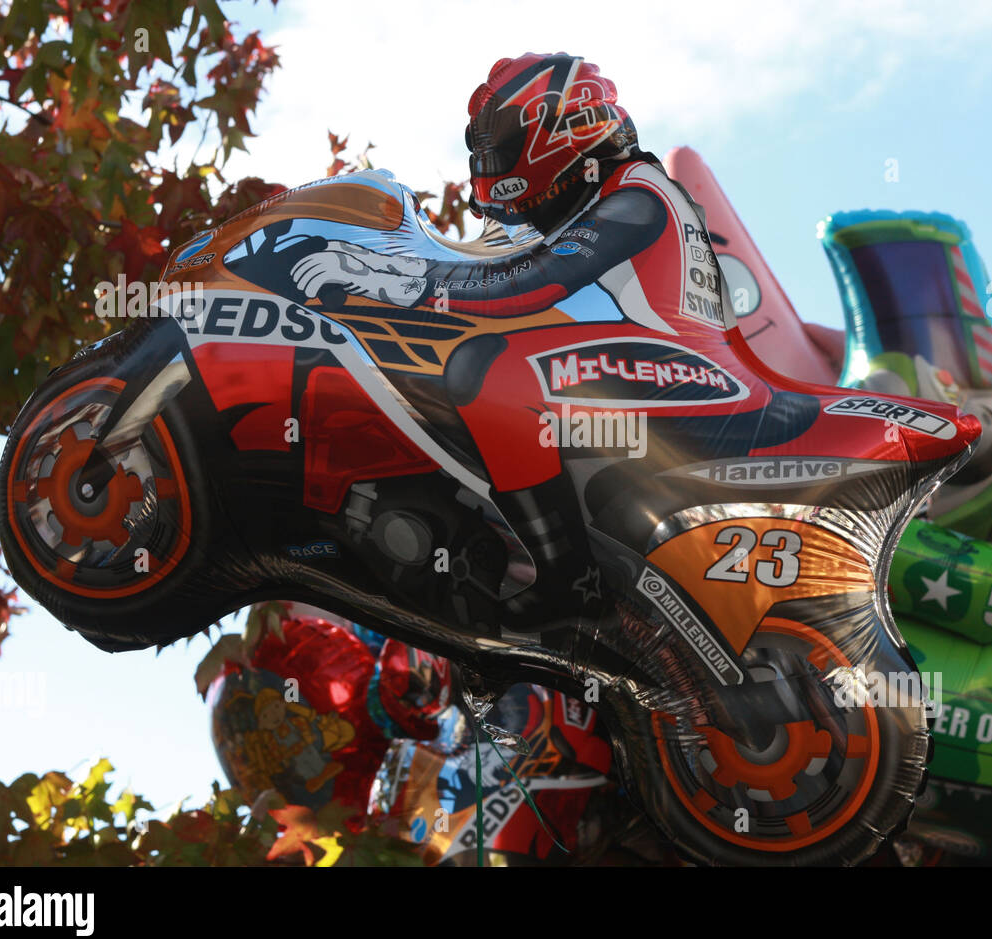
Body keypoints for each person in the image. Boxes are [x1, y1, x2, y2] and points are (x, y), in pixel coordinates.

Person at [289, 52, 780, 629]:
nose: (492, 171)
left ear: (555, 132)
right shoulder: (619, 194)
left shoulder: (638, 194)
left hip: (700, 380)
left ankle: (568, 580)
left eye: (496, 150)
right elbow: (511, 278)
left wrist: (392, 278)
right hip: (683, 374)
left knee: (486, 368)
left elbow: (530, 284)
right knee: (486, 351)